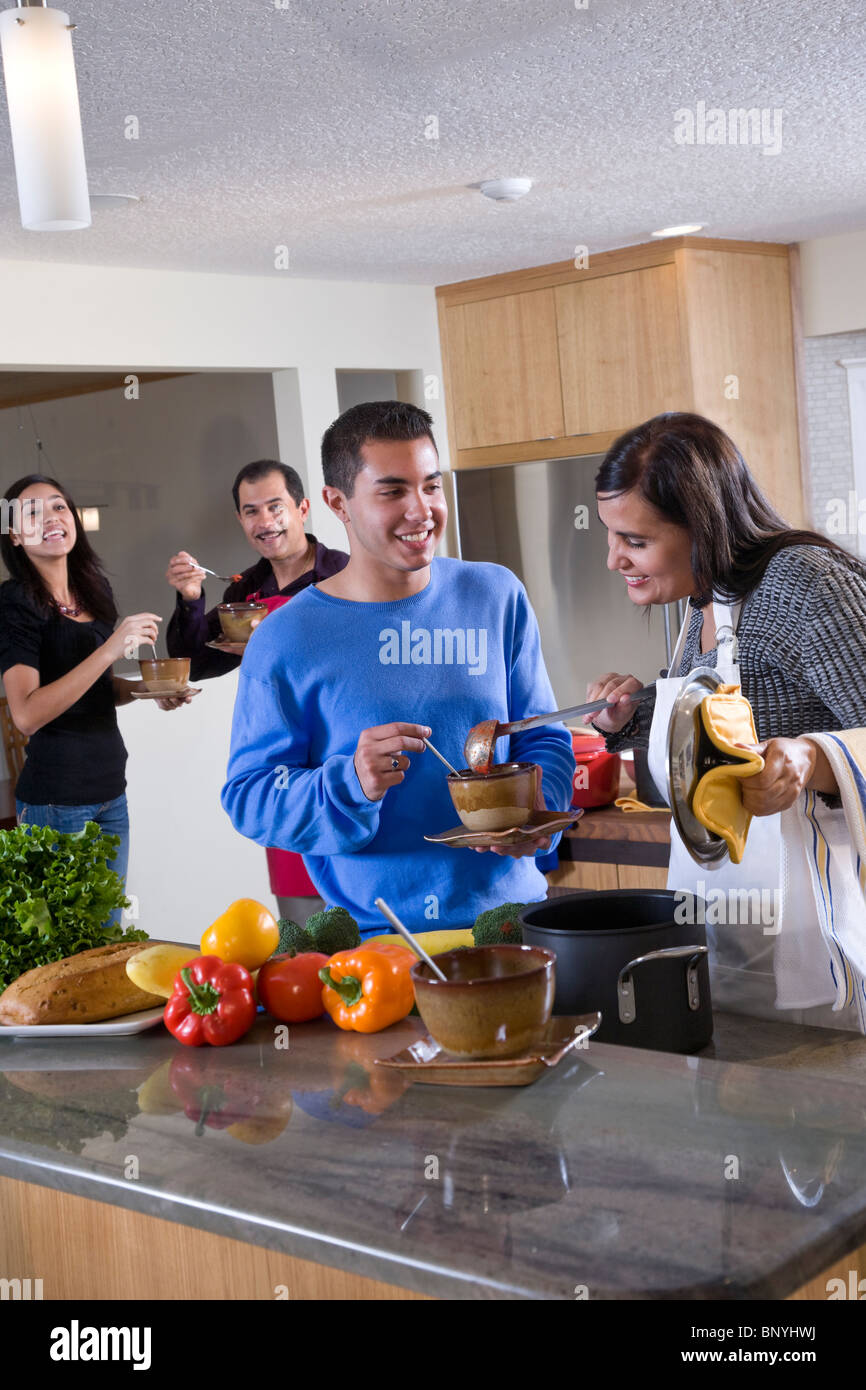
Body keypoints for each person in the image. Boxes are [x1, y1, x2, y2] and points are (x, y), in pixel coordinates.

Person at [221, 401, 575, 936]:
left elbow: (541, 736)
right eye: (392, 492)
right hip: (379, 940)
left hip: (514, 921)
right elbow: (249, 797)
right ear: (337, 503)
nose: (422, 510)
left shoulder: (496, 595)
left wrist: (536, 815)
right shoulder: (285, 638)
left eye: (431, 486)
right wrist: (350, 782)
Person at [586, 412, 866, 1026]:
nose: (614, 560)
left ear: (702, 526)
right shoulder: (702, 605)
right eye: (610, 536)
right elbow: (717, 756)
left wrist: (813, 760)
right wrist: (637, 718)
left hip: (827, 945)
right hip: (733, 941)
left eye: (634, 541)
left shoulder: (802, 584)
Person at [165, 459, 349, 923]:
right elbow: (196, 661)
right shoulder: (246, 590)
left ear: (302, 508)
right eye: (251, 512)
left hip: (346, 746)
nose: (265, 522)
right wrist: (190, 599)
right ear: (241, 521)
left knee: (356, 884)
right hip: (279, 754)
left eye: (275, 506)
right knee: (301, 915)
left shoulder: (347, 574)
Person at [0, 474, 190, 902]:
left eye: (58, 506)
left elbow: (97, 688)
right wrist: (109, 648)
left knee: (107, 939)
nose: (51, 517)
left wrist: (149, 690)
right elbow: (26, 715)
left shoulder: (94, 590)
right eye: (32, 512)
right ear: (14, 536)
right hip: (56, 804)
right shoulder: (14, 602)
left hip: (111, 793)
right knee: (71, 953)